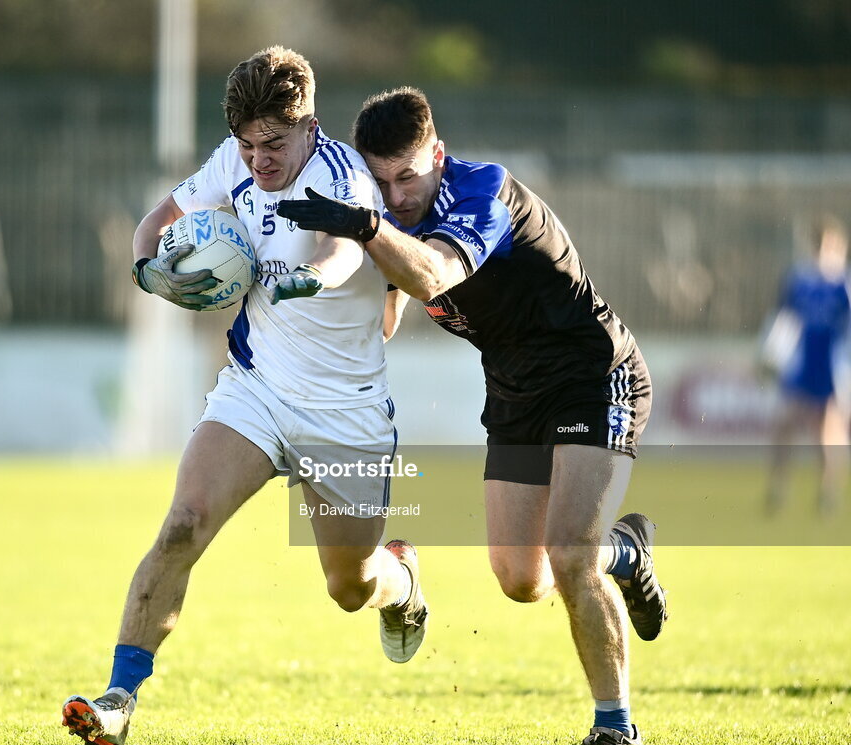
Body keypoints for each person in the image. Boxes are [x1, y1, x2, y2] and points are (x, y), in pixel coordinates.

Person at [278, 87, 667, 745]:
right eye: (381, 181)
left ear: (437, 153)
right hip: (515, 391)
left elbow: (432, 273)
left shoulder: (483, 194)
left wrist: (371, 231)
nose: (396, 194)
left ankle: (615, 726)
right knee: (523, 578)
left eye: (408, 176)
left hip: (591, 373)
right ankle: (623, 553)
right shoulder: (385, 207)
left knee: (569, 551)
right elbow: (386, 306)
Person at [61, 50, 428, 745]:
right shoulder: (233, 162)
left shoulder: (345, 176)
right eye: (248, 144)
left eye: (275, 145)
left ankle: (402, 583)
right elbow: (157, 221)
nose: (259, 161)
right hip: (255, 390)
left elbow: (343, 250)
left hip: (343, 410)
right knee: (181, 525)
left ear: (311, 128)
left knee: (349, 587)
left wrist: (310, 280)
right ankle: (118, 698)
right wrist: (149, 272)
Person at [761, 214, 851, 516]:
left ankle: (827, 491)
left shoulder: (844, 285)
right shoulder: (799, 281)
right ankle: (777, 488)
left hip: (833, 364)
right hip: (802, 362)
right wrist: (771, 355)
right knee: (785, 423)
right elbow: (784, 319)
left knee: (828, 428)